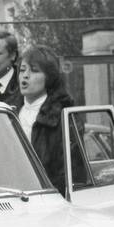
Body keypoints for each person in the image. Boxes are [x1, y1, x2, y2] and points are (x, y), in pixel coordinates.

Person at [15, 43, 75, 195]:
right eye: (22, 70)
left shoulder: (62, 114)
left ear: (49, 77)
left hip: (47, 197)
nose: (25, 75)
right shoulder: (9, 111)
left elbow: (70, 170)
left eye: (34, 71)